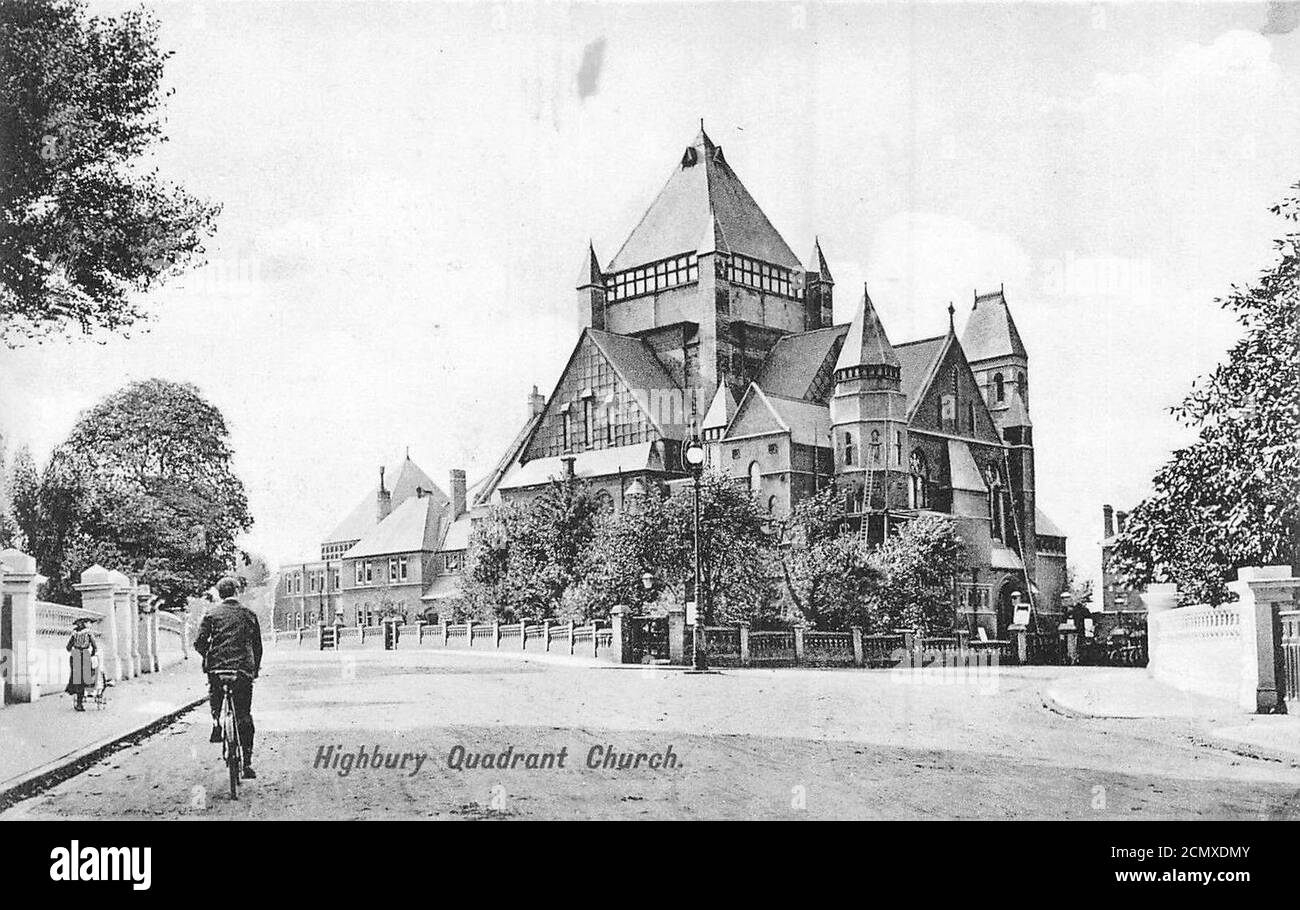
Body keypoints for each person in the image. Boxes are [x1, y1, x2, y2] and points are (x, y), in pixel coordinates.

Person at [193, 576, 263, 778]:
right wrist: (254, 669)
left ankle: (216, 722)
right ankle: (247, 763)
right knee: (244, 714)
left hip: (217, 669)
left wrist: (210, 656)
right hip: (242, 671)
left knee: (215, 693)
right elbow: (257, 646)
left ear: (219, 594)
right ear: (237, 592)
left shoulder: (211, 614)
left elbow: (199, 642)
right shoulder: (248, 614)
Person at [65, 618, 99, 711]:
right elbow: (95, 647)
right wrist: (91, 654)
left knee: (77, 679)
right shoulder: (88, 633)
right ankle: (80, 702)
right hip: (84, 655)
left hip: (76, 656)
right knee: (83, 679)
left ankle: (79, 701)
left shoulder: (74, 634)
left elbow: (68, 647)